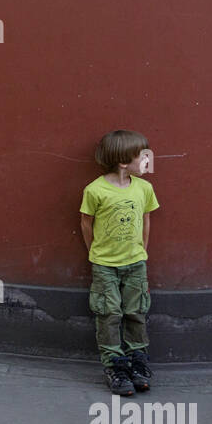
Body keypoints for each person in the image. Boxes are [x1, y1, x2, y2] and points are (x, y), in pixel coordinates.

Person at [79, 130, 159, 397]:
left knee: (136, 311)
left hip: (136, 263)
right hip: (104, 266)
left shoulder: (144, 188)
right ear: (124, 162)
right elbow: (86, 223)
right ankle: (115, 365)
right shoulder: (95, 190)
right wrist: (96, 254)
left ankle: (138, 360)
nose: (148, 159)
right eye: (143, 156)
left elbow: (146, 220)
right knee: (109, 313)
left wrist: (142, 251)